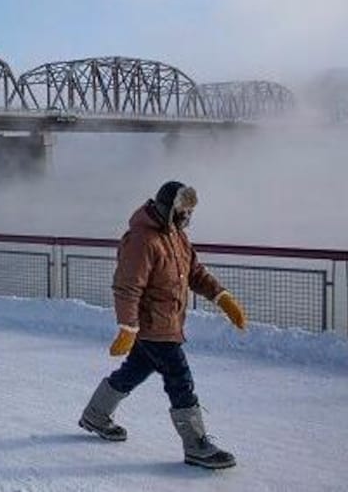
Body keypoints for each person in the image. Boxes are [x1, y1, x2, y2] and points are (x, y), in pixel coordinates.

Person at [77, 180, 247, 469]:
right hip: (154, 326)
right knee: (179, 378)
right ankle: (196, 445)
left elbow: (194, 272)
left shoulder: (176, 236)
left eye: (190, 211)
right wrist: (127, 329)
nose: (187, 217)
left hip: (167, 322)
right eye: (182, 210)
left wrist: (222, 297)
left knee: (134, 371)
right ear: (168, 209)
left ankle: (95, 415)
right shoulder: (142, 240)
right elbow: (127, 287)